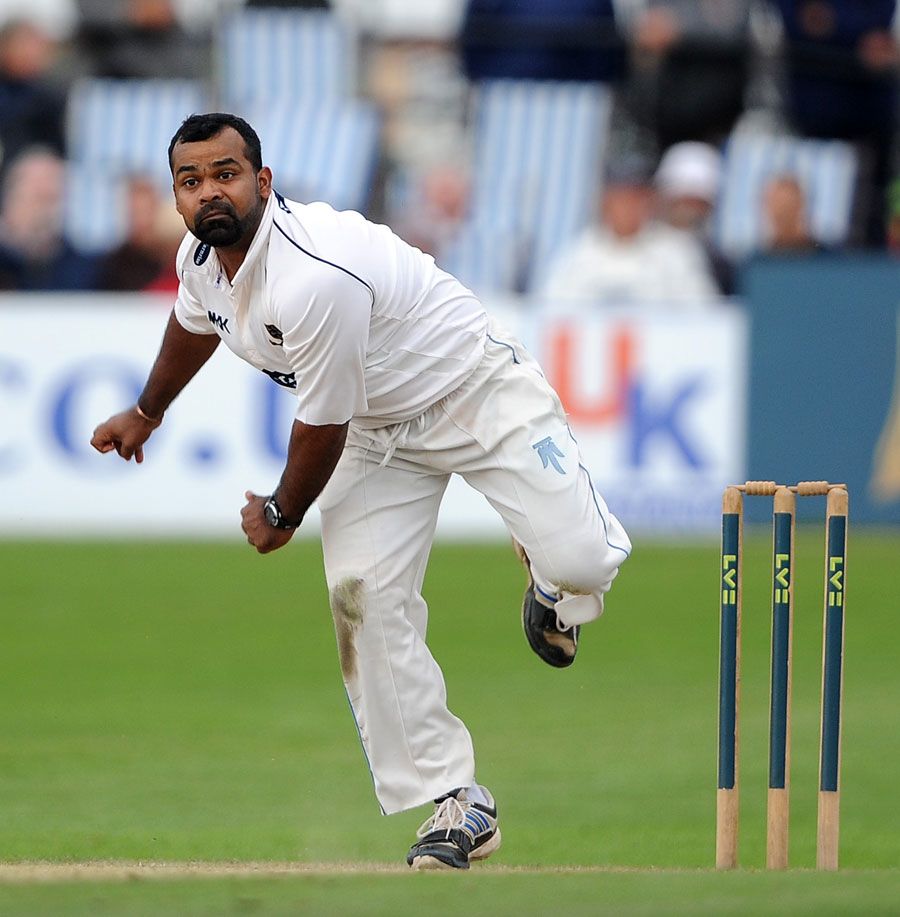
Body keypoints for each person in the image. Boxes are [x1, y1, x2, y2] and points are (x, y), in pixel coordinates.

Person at [90, 113, 631, 870]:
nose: (209, 191)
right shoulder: (201, 261)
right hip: (377, 436)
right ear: (177, 197)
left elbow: (321, 422)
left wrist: (283, 510)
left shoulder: (313, 274)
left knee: (583, 561)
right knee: (363, 601)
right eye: (191, 181)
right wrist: (146, 412)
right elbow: (194, 322)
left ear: (263, 181)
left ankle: (552, 579)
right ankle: (457, 801)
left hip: (471, 387)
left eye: (225, 174)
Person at [539, 154, 720, 306]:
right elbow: (549, 311)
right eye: (622, 199)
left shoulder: (676, 252)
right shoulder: (579, 252)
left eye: (637, 198)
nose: (629, 208)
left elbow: (704, 314)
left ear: (651, 202)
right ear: (605, 202)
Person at [655, 141, 734, 295]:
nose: (690, 211)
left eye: (698, 202)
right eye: (682, 201)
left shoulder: (721, 263)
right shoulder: (639, 246)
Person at [760, 173, 824, 254]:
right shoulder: (759, 260)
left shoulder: (826, 258)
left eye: (787, 204)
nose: (782, 212)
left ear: (801, 204)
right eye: (777, 204)